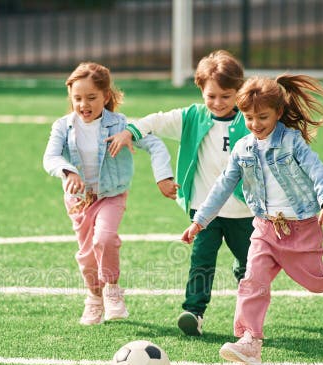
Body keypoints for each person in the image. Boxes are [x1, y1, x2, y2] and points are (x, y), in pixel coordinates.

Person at [181, 73, 323, 365]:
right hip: (265, 228)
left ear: (278, 113)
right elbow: (222, 186)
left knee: (316, 282)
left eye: (263, 117)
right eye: (248, 117)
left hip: (301, 228)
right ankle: (249, 342)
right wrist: (200, 220)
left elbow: (317, 170)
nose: (255, 124)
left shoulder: (291, 141)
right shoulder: (243, 148)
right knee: (252, 281)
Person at [107, 50, 253, 337]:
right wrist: (130, 132)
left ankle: (248, 311)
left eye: (226, 96)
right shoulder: (192, 117)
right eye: (211, 96)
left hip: (244, 210)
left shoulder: (250, 121)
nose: (218, 103)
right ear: (201, 90)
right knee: (201, 261)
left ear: (239, 91)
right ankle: (194, 312)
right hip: (203, 210)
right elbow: (156, 121)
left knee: (250, 267)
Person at [43, 62, 173, 325]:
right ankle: (94, 298)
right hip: (79, 201)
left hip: (112, 195)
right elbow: (50, 157)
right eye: (77, 98)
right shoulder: (62, 127)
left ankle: (112, 289)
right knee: (87, 255)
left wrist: (163, 177)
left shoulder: (121, 125)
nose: (84, 104)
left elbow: (156, 145)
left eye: (91, 97)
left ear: (106, 96)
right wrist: (68, 172)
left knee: (105, 238)